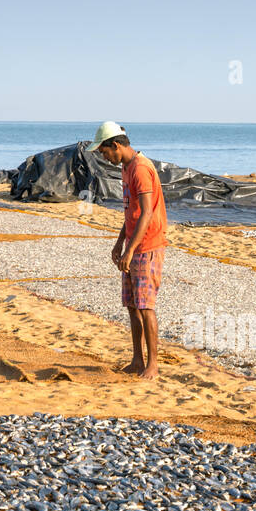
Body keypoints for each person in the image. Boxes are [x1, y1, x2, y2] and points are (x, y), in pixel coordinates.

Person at [92, 121, 167, 379]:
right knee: (132, 305)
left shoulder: (141, 169)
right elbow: (131, 213)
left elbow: (147, 213)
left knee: (146, 306)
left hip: (148, 246)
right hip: (134, 245)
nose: (104, 158)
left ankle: (153, 364)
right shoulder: (126, 167)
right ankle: (137, 359)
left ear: (116, 146)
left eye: (104, 152)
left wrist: (130, 250)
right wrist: (118, 243)